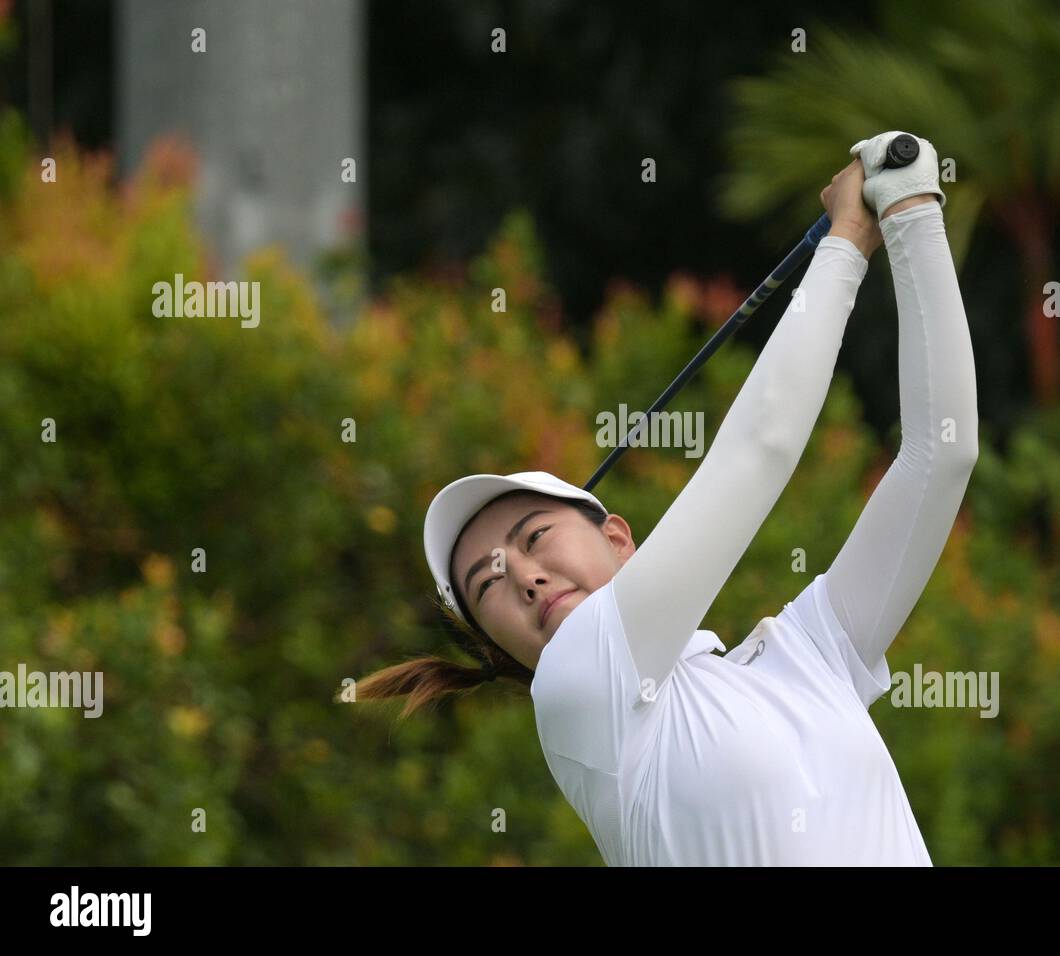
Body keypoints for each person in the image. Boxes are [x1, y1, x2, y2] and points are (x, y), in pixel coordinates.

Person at [357, 131, 979, 865]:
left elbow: (942, 454)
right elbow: (762, 447)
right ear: (500, 645)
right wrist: (846, 239)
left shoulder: (809, 654)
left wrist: (911, 211)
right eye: (487, 582)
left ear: (617, 536)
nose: (522, 575)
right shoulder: (577, 694)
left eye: (532, 538)